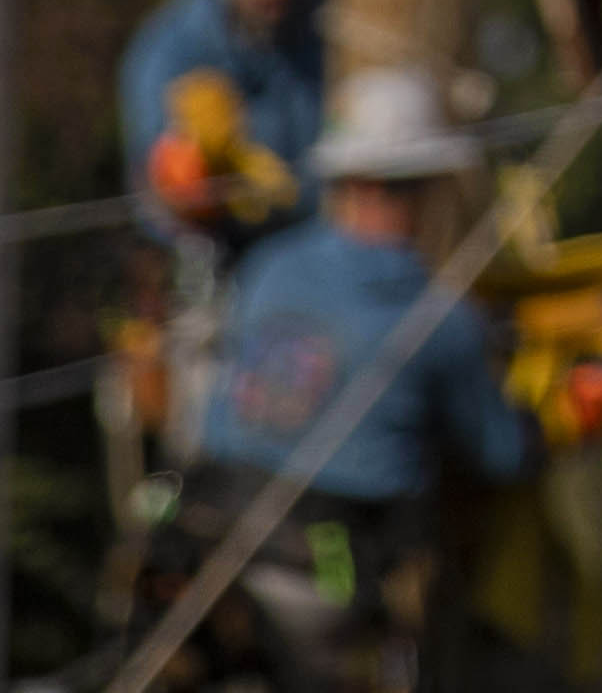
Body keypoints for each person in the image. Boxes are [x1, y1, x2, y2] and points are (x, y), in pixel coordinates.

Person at [161, 62, 555, 690]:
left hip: (204, 547)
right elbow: (502, 453)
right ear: (422, 188)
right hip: (329, 573)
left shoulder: (266, 268)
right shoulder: (439, 319)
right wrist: (568, 408)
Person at [117, 0, 338, 454]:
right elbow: (163, 202)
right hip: (218, 314)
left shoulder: (329, 38)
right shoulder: (173, 50)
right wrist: (202, 175)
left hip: (323, 301)